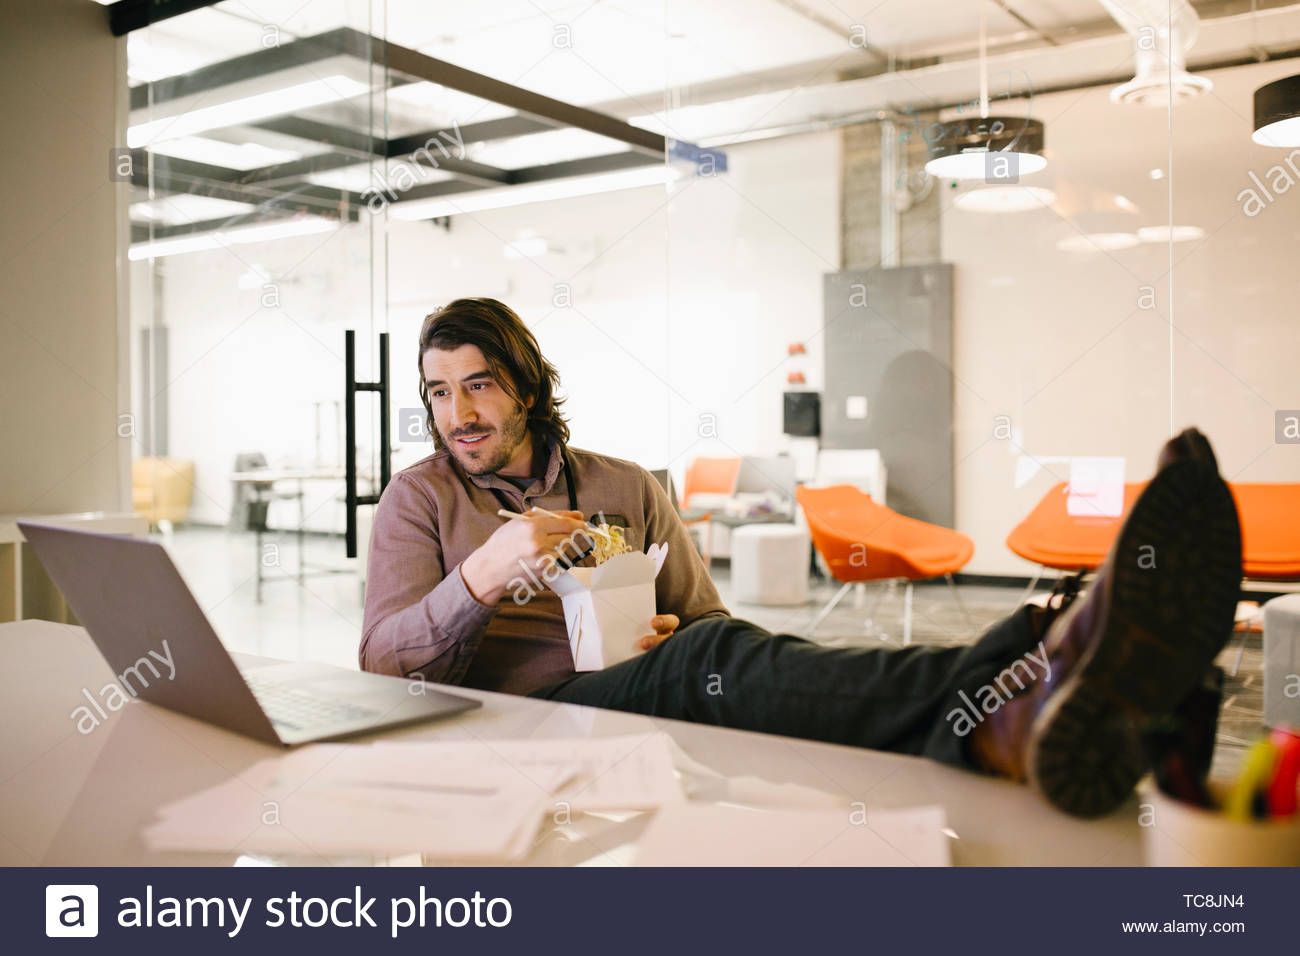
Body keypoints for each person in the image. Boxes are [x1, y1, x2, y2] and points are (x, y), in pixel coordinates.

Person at [360, 297, 1243, 818]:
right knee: (707, 663)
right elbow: (381, 662)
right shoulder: (422, 499)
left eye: (477, 384)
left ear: (524, 384)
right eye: (439, 392)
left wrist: (666, 626)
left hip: (636, 686)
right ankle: (1029, 666)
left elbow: (706, 622)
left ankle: (1020, 693)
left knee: (720, 656)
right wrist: (482, 576)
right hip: (514, 719)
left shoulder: (624, 485)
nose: (457, 414)